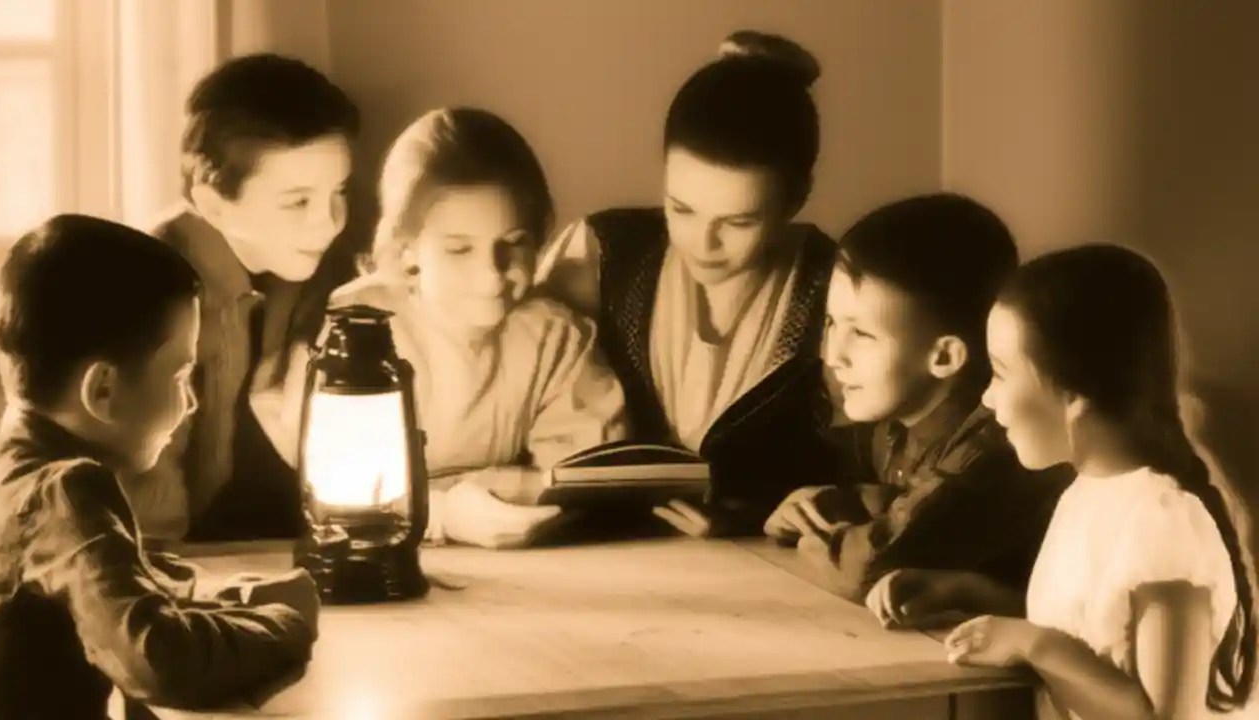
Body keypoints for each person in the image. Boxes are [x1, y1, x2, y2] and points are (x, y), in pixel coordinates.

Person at [874, 245, 1256, 718]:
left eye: (1000, 373)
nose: (988, 400)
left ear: (1075, 393)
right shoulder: (1086, 494)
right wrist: (968, 592)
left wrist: (1035, 644)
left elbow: (1164, 716)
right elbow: (1099, 631)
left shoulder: (1162, 521)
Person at [0, 215, 319, 718]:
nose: (193, 402)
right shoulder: (67, 492)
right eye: (181, 375)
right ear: (103, 391)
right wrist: (287, 624)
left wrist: (217, 597)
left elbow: (101, 586)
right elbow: (160, 658)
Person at [262, 107, 628, 549]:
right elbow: (336, 494)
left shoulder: (554, 336)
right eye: (459, 250)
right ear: (407, 249)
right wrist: (441, 513)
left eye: (514, 244)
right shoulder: (357, 328)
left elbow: (576, 475)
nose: (492, 275)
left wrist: (523, 495)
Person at [536, 31, 839, 537]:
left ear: (796, 199)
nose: (704, 242)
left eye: (739, 222)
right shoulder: (602, 254)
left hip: (763, 574)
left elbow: (868, 471)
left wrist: (755, 514)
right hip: (594, 554)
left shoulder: (837, 288)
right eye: (681, 209)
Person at [764, 194, 1071, 602]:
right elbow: (899, 504)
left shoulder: (994, 446)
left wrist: (816, 536)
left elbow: (871, 566)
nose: (832, 354)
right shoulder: (893, 423)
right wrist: (822, 506)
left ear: (943, 356)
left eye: (862, 334)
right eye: (832, 323)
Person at [122, 53, 362, 543]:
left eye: (339, 191)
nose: (329, 221)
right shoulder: (148, 291)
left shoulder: (303, 268)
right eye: (298, 201)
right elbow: (144, 511)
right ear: (212, 203)